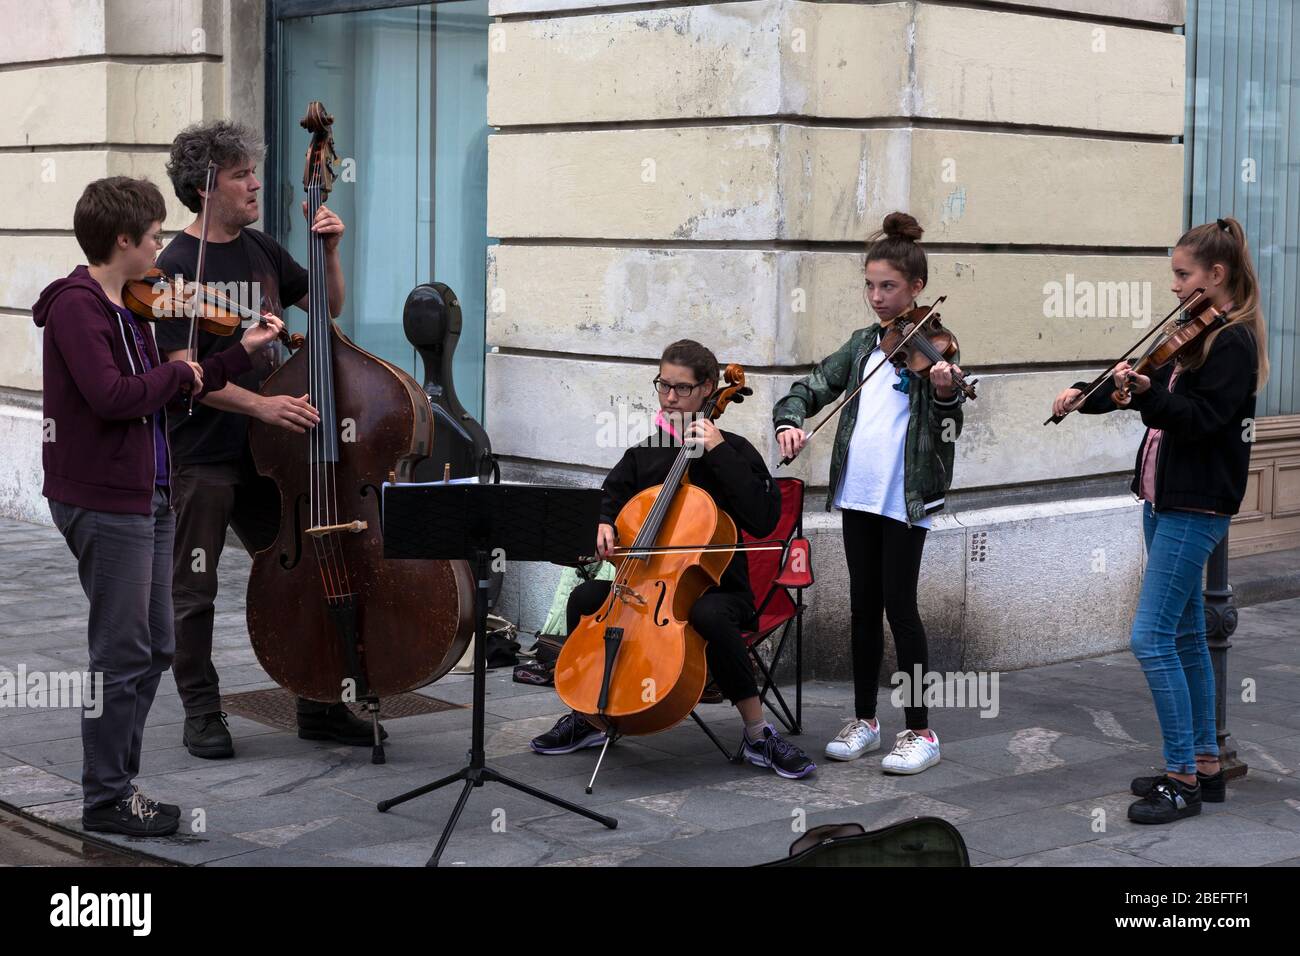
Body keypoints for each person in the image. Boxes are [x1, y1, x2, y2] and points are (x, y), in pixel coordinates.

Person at [35, 176, 284, 835]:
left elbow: (174, 388)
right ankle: (106, 797)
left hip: (150, 491)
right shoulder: (78, 308)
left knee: (154, 647)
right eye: (151, 237)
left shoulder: (134, 303)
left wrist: (236, 354)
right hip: (102, 497)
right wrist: (181, 371)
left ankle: (117, 784)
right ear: (123, 240)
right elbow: (114, 396)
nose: (161, 249)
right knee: (121, 650)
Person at [155, 120, 384, 758]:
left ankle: (319, 702)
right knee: (195, 588)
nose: (255, 183)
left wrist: (331, 251)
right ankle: (202, 712)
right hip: (206, 453)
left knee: (307, 572)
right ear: (206, 188)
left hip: (274, 457)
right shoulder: (172, 268)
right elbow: (183, 376)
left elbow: (328, 310)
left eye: (252, 172)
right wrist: (263, 405)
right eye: (240, 175)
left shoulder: (261, 250)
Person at [1051, 216, 1268, 824]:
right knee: (1185, 636)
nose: (1173, 286)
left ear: (1216, 274)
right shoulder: (1193, 333)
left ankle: (1181, 780)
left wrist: (1146, 394)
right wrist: (1086, 393)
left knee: (1150, 638)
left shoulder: (1232, 341)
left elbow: (1199, 420)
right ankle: (1203, 763)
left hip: (1195, 505)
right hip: (1161, 499)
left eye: (1183, 274)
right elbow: (1140, 387)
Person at [530, 340, 817, 779]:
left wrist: (718, 450)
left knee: (707, 613)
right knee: (587, 597)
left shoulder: (734, 449)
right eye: (662, 385)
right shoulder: (647, 452)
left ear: (707, 389)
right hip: (642, 588)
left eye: (680, 389)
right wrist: (603, 523)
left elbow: (763, 519)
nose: (668, 397)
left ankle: (758, 735)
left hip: (723, 591)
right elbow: (607, 497)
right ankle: (589, 718)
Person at [772, 212, 964, 775]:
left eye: (889, 287)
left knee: (901, 609)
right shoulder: (862, 345)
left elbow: (949, 418)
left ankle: (920, 730)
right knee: (861, 607)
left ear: (916, 288)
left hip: (903, 498)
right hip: (858, 493)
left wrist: (947, 390)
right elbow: (810, 387)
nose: (877, 297)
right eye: (870, 285)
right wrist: (791, 419)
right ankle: (865, 720)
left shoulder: (935, 345)